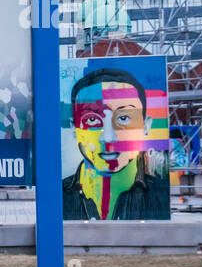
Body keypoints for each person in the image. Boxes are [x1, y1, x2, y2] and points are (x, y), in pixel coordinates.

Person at [62, 67, 170, 220]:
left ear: (145, 126)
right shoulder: (58, 195)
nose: (108, 137)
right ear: (75, 129)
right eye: (92, 120)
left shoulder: (160, 195)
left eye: (124, 118)